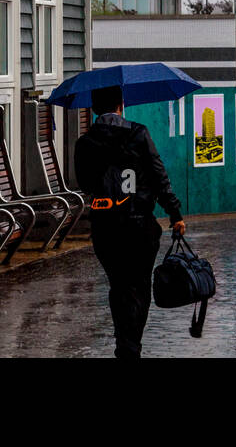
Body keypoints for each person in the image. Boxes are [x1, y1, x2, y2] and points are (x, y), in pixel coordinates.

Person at [75, 84, 186, 358]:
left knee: (119, 285)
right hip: (139, 226)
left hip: (105, 227)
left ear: (93, 109)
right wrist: (175, 214)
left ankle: (125, 343)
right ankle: (131, 345)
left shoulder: (85, 143)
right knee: (138, 286)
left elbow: (86, 184)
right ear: (121, 105)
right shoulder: (138, 133)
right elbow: (160, 176)